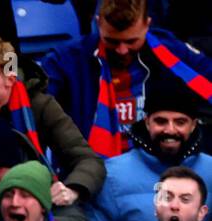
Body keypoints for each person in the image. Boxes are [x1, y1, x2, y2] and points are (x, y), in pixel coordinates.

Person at [0, 34, 104, 221]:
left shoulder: (39, 105)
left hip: (32, 196)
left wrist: (72, 189)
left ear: (10, 79)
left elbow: (87, 159)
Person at [39, 0, 212, 157]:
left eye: (131, 41)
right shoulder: (65, 60)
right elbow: (38, 108)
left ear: (147, 24)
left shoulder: (171, 50)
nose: (122, 50)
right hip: (91, 166)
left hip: (162, 161)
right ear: (98, 23)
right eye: (112, 41)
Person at [88, 91, 212, 221]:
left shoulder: (210, 170)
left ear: (193, 125)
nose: (170, 130)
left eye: (180, 122)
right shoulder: (113, 174)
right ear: (147, 122)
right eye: (161, 121)